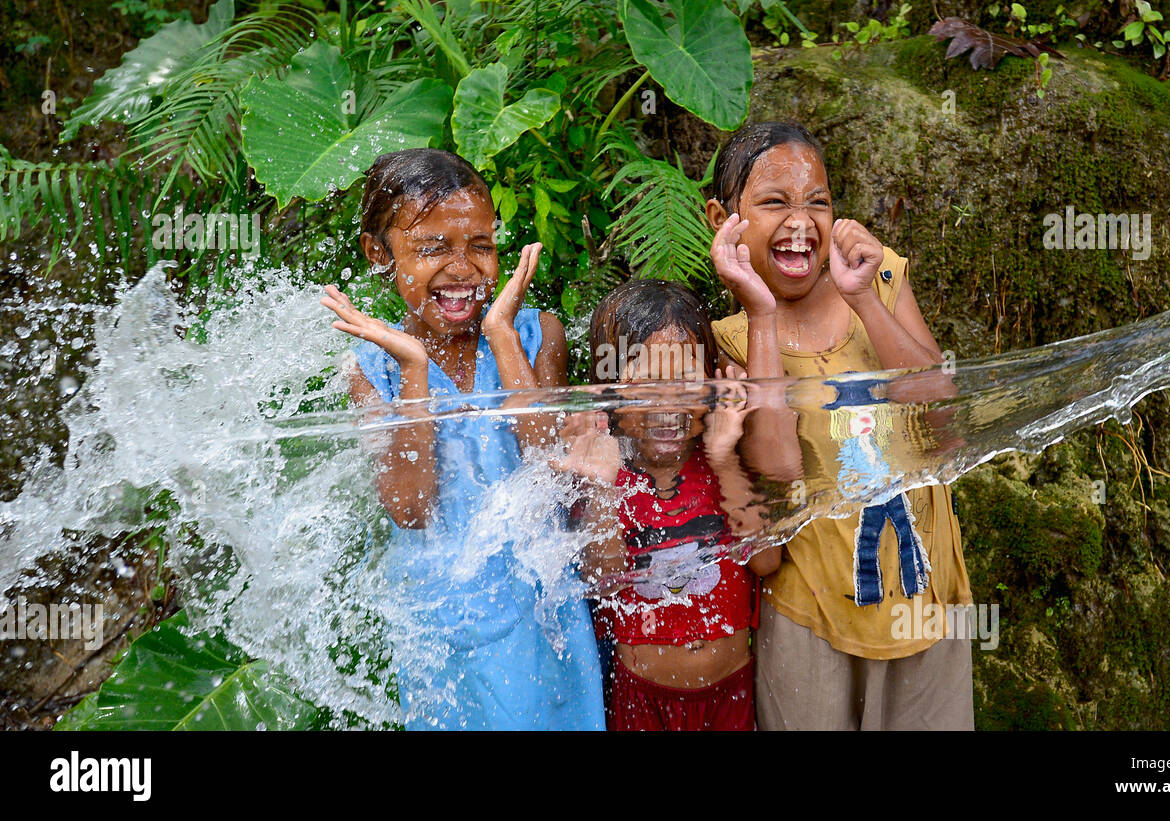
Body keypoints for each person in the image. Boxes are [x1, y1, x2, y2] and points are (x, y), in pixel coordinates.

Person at [319, 148, 604, 730]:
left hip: (539, 605)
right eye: (431, 249)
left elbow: (548, 463)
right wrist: (416, 370)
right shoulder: (372, 370)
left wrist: (500, 334)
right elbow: (410, 508)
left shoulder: (532, 334)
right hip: (439, 618)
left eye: (480, 245)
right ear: (379, 254)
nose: (463, 267)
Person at [705, 121, 975, 730]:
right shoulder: (730, 341)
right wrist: (762, 316)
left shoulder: (880, 279)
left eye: (817, 202)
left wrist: (864, 301)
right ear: (722, 217)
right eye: (775, 202)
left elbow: (946, 421)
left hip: (925, 598)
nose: (801, 221)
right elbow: (776, 471)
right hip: (812, 612)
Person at [553, 279, 779, 731]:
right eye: (646, 382)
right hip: (641, 698)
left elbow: (769, 560)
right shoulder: (603, 464)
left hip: (730, 691)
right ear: (609, 389)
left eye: (685, 380)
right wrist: (601, 486)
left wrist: (725, 460)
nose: (667, 402)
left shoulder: (723, 456)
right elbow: (604, 582)